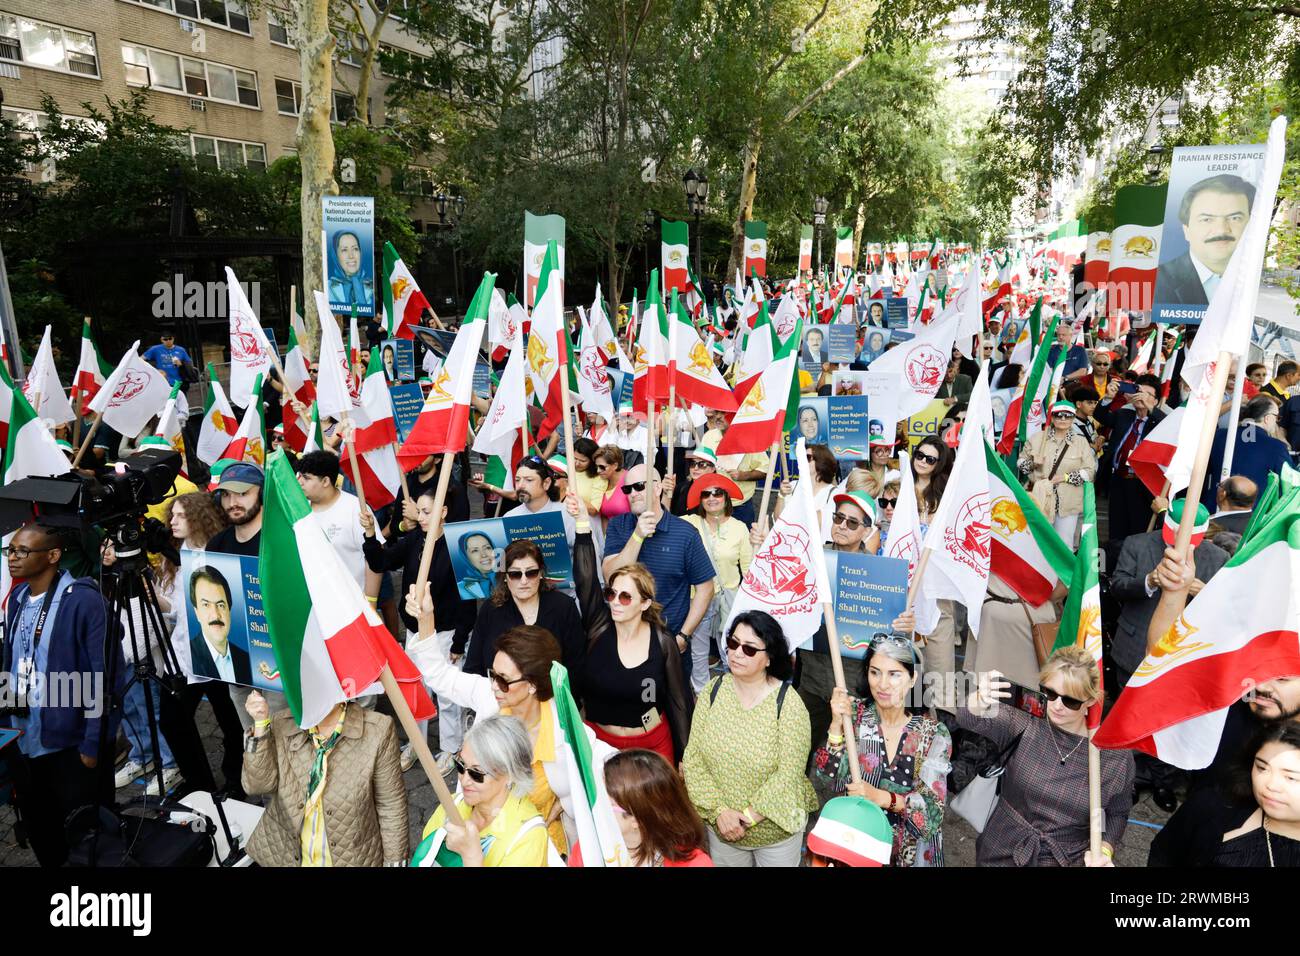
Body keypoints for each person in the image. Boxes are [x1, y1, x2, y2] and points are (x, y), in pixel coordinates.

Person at [2, 524, 124, 866]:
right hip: (25, 738)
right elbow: (11, 661)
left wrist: (92, 744)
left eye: (22, 551)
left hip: (70, 745)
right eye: (10, 550)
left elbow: (105, 677)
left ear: (53, 556)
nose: (13, 558)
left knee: (85, 837)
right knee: (43, 830)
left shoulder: (84, 600)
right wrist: (7, 723)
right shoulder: (17, 599)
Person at [957, 650, 1135, 866]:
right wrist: (979, 698)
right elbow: (968, 718)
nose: (1057, 705)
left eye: (1070, 701)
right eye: (1050, 694)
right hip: (1003, 845)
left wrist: (1103, 852)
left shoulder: (1112, 756)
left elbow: (1116, 812)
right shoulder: (1025, 722)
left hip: (1065, 858)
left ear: (1089, 701)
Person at [1111, 498, 1229, 811]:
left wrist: (1205, 594)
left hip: (1183, 656)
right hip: (1134, 649)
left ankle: (1162, 781)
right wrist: (1149, 581)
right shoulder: (1136, 545)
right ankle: (1128, 780)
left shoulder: (1218, 558)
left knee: (1169, 722)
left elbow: (1227, 611)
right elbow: (1117, 586)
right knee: (1131, 719)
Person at [682, 612, 817, 867]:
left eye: (749, 648)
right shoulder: (714, 690)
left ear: (769, 658)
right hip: (722, 830)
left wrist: (745, 818)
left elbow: (789, 774)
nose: (737, 653)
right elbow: (694, 758)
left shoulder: (787, 704)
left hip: (776, 834)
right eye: (733, 643)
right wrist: (720, 812)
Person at [810, 634, 951, 866]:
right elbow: (828, 779)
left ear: (913, 678)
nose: (882, 684)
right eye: (875, 672)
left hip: (910, 853)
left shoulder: (933, 734)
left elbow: (931, 816)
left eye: (894, 674)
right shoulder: (855, 716)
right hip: (858, 845)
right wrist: (835, 724)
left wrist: (881, 798)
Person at [360, 489, 476, 769]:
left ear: (444, 512)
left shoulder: (460, 545)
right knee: (416, 690)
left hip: (445, 631)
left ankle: (451, 747)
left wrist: (460, 642)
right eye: (419, 512)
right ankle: (416, 743)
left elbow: (469, 598)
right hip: (415, 630)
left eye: (427, 512)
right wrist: (368, 534)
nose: (421, 518)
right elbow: (381, 561)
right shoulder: (415, 540)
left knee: (448, 695)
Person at [572, 498, 693, 762]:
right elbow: (585, 580)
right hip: (599, 748)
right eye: (611, 594)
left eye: (625, 597)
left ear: (645, 603)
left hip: (651, 747)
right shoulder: (598, 627)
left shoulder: (662, 641)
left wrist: (685, 758)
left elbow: (678, 700)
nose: (615, 602)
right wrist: (582, 523)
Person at [241, 687, 406, 866]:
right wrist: (260, 726)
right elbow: (256, 786)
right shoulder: (282, 722)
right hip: (287, 856)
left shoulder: (378, 730)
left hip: (353, 859)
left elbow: (391, 804)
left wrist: (395, 862)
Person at [153, 492, 248, 799]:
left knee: (231, 723)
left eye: (181, 516)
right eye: (173, 516)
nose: (173, 521)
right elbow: (175, 608)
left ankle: (236, 780)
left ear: (198, 518)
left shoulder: (216, 550)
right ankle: (199, 782)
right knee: (171, 720)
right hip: (181, 656)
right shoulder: (174, 554)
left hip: (216, 654)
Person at [791, 490, 881, 749]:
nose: (841, 526)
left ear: (866, 531)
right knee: (800, 747)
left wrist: (904, 622)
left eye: (852, 522)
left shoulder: (877, 573)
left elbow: (888, 630)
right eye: (838, 518)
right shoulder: (811, 559)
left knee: (847, 755)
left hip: (851, 685)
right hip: (811, 678)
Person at [601, 463, 715, 654]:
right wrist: (638, 535)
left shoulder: (685, 533)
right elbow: (610, 576)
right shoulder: (618, 525)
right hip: (624, 638)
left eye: (639, 486)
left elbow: (706, 588)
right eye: (627, 489)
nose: (633, 493)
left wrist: (683, 636)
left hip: (668, 641)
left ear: (658, 487)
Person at [1150, 722, 1300, 866]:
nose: (1271, 785)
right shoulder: (1211, 806)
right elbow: (1164, 854)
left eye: (1291, 778)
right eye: (1262, 768)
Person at [414, 714, 549, 867]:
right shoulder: (452, 805)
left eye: (476, 773)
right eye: (460, 765)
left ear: (511, 775)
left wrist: (471, 858)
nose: (464, 780)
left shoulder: (528, 837)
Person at [464, 540, 585, 687]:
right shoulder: (491, 609)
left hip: (552, 701)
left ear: (541, 573)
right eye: (515, 574)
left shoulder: (563, 607)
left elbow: (576, 666)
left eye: (531, 573)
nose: (524, 581)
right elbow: (473, 665)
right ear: (505, 577)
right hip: (500, 701)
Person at [568, 749, 713, 866]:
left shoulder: (695, 864)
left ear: (637, 819)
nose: (595, 807)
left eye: (605, 804)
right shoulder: (586, 850)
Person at [682, 474, 753, 692]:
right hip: (698, 598)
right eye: (706, 494)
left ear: (726, 498)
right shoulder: (688, 523)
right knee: (699, 651)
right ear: (700, 499)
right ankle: (701, 694)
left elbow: (749, 569)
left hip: (729, 599)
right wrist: (665, 493)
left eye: (718, 493)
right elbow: (659, 523)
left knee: (731, 650)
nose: (712, 498)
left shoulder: (740, 527)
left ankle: (734, 693)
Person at [1155, 173, 1255, 306]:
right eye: (1206, 219)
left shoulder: (1253, 279)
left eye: (1235, 218)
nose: (1221, 230)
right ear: (1186, 230)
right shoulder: (1156, 282)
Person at [294, 451, 380, 598]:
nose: (300, 482)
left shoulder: (356, 509)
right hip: (313, 603)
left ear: (326, 481)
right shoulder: (298, 510)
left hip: (351, 603)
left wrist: (371, 600)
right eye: (300, 476)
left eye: (307, 478)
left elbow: (374, 557)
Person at [1096, 374, 1165, 543]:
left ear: (1156, 401)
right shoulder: (1124, 415)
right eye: (1138, 391)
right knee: (1117, 529)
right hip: (1119, 479)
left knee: (1138, 530)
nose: (1141, 396)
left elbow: (1166, 424)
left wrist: (1150, 409)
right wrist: (1108, 397)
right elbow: (1101, 416)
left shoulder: (1159, 422)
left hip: (1144, 484)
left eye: (1147, 394)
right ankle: (1113, 565)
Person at [1018, 398, 1097, 545]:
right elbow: (1021, 465)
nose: (1062, 418)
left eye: (1067, 415)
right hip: (1038, 499)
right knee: (1037, 542)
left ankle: (1059, 569)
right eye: (1058, 415)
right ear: (1052, 417)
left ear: (1073, 418)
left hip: (1068, 501)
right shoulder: (1037, 439)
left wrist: (1065, 477)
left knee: (1064, 544)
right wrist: (1033, 463)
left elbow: (1089, 472)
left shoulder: (1080, 442)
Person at [1203, 396, 1290, 512]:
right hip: (1251, 517)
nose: (1276, 422)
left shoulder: (1218, 436)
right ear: (1267, 418)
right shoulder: (1276, 447)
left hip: (1211, 508)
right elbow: (1288, 485)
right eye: (1277, 417)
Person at [699, 409, 771, 526]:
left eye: (724, 413)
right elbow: (701, 464)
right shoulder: (708, 436)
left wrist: (744, 475)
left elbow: (766, 470)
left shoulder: (750, 439)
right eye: (717, 413)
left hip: (740, 507)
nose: (718, 417)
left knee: (744, 542)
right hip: (712, 503)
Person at [186, 564, 253, 684]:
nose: (215, 615)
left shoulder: (247, 659)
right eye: (206, 605)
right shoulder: (189, 658)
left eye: (221, 605)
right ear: (197, 612)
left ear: (229, 610)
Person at [328, 229, 375, 312]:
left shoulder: (371, 285)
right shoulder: (327, 287)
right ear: (335, 255)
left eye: (355, 249)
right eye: (344, 250)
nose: (351, 256)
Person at [570, 436, 609, 517]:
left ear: (592, 461)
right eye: (574, 458)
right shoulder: (565, 468)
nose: (577, 463)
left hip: (585, 521)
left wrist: (568, 497)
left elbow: (594, 510)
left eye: (583, 461)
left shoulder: (599, 478)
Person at [595, 444, 632, 526]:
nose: (598, 470)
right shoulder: (602, 483)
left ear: (615, 465)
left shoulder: (630, 480)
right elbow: (604, 519)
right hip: (611, 536)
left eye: (602, 467)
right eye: (596, 466)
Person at [456, 531, 498, 599]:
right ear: (465, 557)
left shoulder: (510, 577)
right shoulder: (460, 589)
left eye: (487, 548)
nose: (484, 555)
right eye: (475, 551)